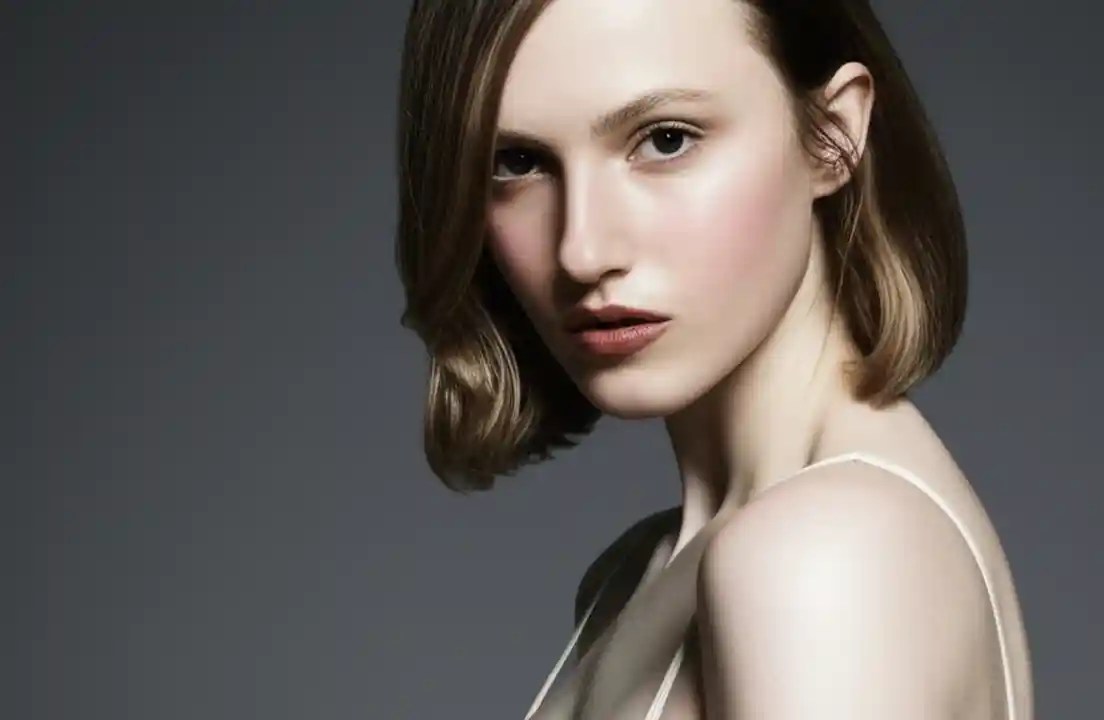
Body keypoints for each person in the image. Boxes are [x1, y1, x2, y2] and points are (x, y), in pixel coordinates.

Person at [394, 0, 1034, 717]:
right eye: (517, 162)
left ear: (833, 135)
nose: (583, 250)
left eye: (665, 140)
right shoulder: (635, 574)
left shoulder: (824, 558)